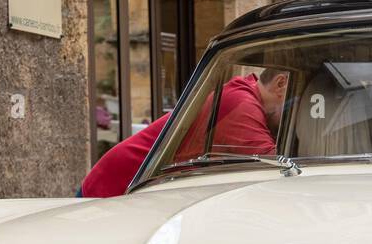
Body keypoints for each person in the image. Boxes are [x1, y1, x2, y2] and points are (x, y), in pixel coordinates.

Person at [80, 69, 290, 198]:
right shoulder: (242, 104)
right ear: (280, 84)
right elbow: (280, 167)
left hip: (139, 185)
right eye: (296, 99)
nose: (293, 110)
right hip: (117, 187)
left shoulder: (245, 91)